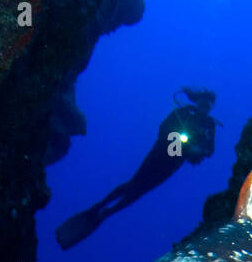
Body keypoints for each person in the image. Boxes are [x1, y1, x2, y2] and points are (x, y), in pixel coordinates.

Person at [55, 88, 221, 249]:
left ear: (210, 108)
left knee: (141, 191)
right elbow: (164, 128)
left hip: (174, 164)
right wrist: (178, 142)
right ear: (197, 102)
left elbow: (210, 150)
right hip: (160, 153)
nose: (203, 108)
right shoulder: (184, 113)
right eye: (202, 104)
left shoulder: (209, 126)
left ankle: (108, 213)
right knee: (135, 183)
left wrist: (196, 150)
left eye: (207, 106)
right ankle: (99, 206)